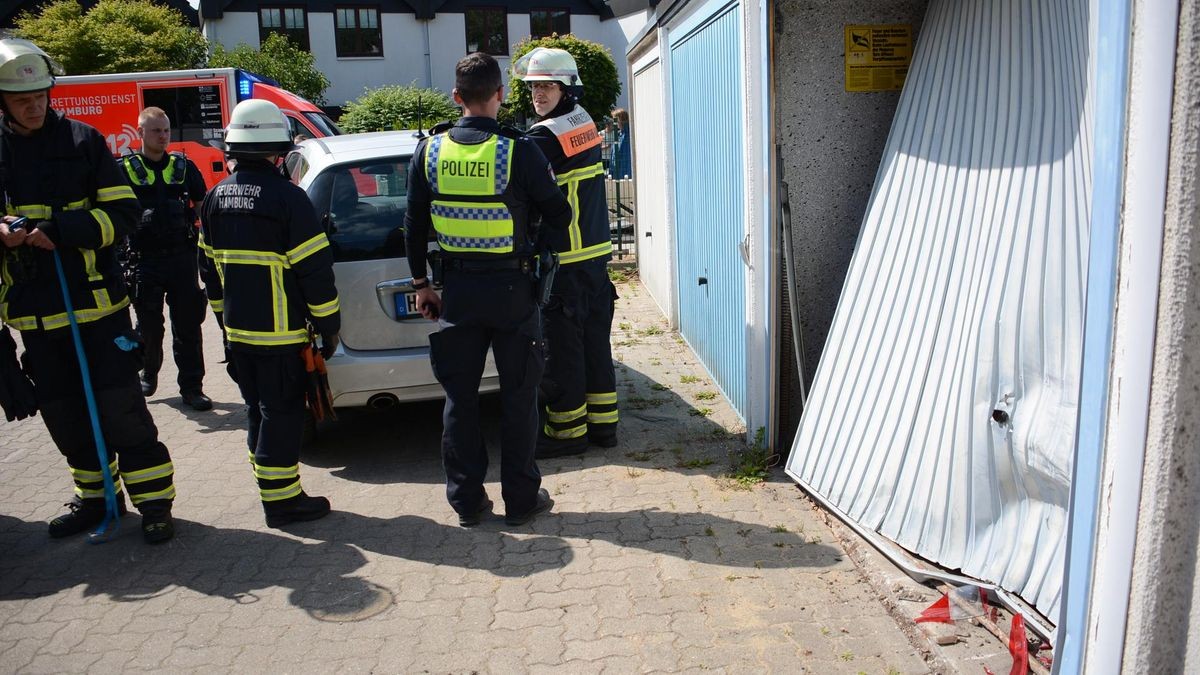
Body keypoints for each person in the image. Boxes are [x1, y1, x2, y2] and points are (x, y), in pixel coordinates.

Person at [0, 38, 176, 543]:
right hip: (38, 320)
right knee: (67, 420)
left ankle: (155, 505)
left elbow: (122, 216)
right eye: (21, 101)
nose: (34, 108)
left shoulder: (83, 141)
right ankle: (97, 499)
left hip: (99, 312)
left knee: (123, 414)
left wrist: (61, 228)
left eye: (40, 97)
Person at [405, 52, 571, 527]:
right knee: (519, 398)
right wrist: (536, 247)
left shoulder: (430, 151)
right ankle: (521, 501)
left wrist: (422, 285)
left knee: (459, 401)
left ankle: (467, 503)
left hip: (456, 291)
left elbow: (413, 226)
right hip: (514, 292)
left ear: (456, 97)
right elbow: (560, 215)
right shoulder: (519, 150)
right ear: (500, 94)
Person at [198, 99, 340, 529]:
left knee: (257, 411)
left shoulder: (213, 198)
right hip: (281, 336)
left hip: (239, 335)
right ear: (278, 151)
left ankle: (273, 489)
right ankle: (282, 503)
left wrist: (225, 324)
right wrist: (329, 326)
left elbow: (210, 274)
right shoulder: (289, 200)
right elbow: (315, 273)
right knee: (282, 414)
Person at [512, 47, 620, 457]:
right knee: (595, 344)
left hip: (566, 259)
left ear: (566, 87)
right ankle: (604, 427)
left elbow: (517, 169)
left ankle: (568, 432)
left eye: (547, 86)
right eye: (535, 86)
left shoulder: (546, 134)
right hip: (592, 255)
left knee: (563, 351)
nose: (539, 93)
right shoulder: (582, 120)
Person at [121, 107, 212, 410]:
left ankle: (192, 387)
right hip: (144, 260)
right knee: (148, 324)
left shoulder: (184, 167)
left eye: (166, 130)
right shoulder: (125, 168)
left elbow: (202, 205)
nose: (163, 136)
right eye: (156, 130)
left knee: (187, 325)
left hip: (181, 258)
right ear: (141, 133)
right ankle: (149, 372)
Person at [610, 108, 632, 179]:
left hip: (624, 175)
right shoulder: (619, 135)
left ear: (620, 120)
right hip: (617, 173)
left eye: (615, 120)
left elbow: (627, 158)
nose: (614, 123)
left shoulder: (627, 136)